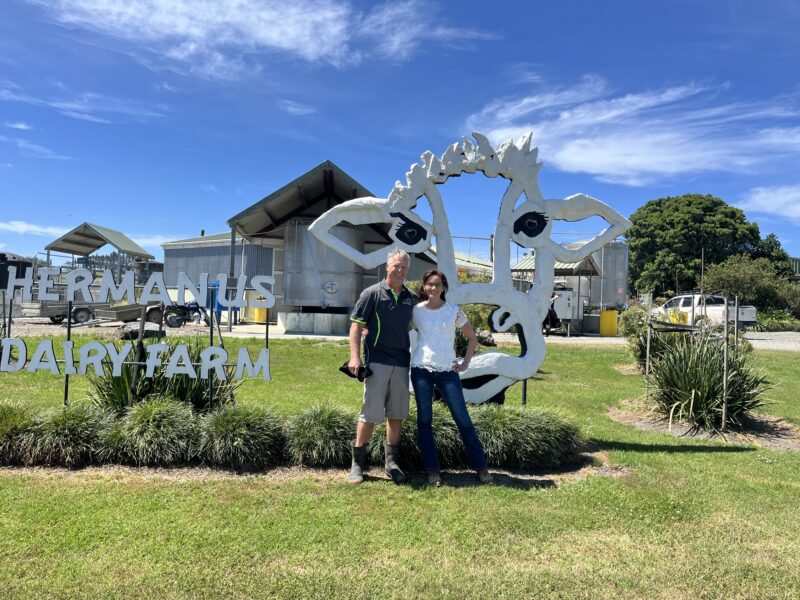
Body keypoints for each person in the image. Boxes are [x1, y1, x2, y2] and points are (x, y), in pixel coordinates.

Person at [410, 269, 492, 487]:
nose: (433, 288)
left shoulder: (453, 311)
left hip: (448, 371)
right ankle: (432, 471)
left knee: (463, 419)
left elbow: (472, 338)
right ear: (424, 286)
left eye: (437, 284)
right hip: (421, 369)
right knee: (424, 421)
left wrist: (465, 362)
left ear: (443, 287)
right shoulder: (416, 311)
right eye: (429, 284)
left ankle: (481, 467)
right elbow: (399, 330)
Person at [347, 249, 417, 484]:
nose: (399, 270)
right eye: (396, 266)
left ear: (408, 270)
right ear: (387, 267)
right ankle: (357, 464)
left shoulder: (411, 297)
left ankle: (391, 464)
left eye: (403, 267)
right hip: (377, 361)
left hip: (402, 363)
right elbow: (356, 327)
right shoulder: (372, 294)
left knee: (396, 415)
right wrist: (355, 358)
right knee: (370, 414)